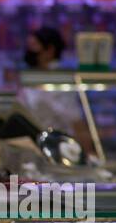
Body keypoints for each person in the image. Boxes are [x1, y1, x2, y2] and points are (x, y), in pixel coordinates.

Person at [17, 26, 94, 154]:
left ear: (50, 50)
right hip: (35, 146)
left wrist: (90, 154)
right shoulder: (31, 79)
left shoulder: (61, 83)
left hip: (60, 148)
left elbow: (76, 122)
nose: (29, 51)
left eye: (34, 45)